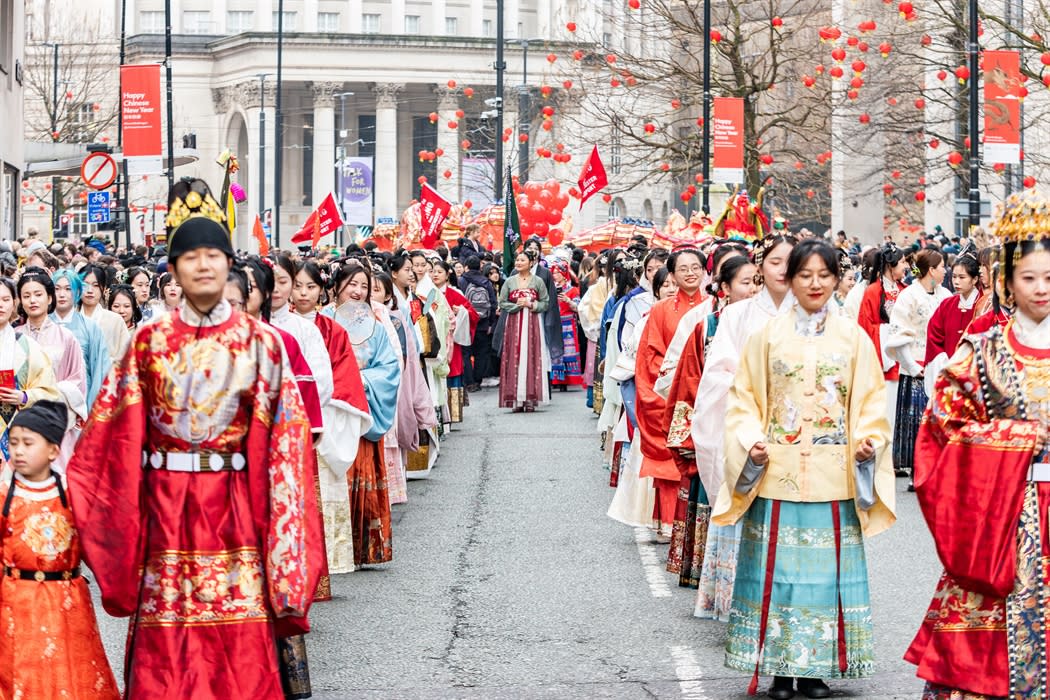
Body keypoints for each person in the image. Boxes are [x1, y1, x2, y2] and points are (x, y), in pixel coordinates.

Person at [67, 178, 323, 699]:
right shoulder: (148, 342)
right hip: (164, 508)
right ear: (174, 269)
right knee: (167, 653)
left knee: (240, 652)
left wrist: (287, 550)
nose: (203, 265)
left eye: (214, 255)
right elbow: (108, 442)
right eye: (190, 257)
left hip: (236, 510)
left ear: (230, 264)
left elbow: (287, 451)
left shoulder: (264, 345)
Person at [714, 238, 895, 700]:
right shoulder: (767, 337)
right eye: (805, 275)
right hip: (777, 470)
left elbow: (870, 401)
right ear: (789, 280)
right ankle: (777, 669)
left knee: (822, 577)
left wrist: (867, 442)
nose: (815, 284)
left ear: (837, 279)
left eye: (824, 275)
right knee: (777, 574)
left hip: (834, 476)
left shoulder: (853, 338)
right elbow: (744, 399)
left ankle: (815, 670)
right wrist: (751, 442)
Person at [905, 193, 1050, 699]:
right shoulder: (979, 354)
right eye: (1029, 277)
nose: (1040, 289)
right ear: (1007, 280)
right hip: (1001, 522)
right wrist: (1018, 442)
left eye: (1049, 277)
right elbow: (939, 437)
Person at [691, 234, 797, 621]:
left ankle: (792, 601)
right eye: (774, 262)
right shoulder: (737, 316)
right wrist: (759, 383)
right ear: (760, 268)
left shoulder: (814, 315)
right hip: (750, 425)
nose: (783, 270)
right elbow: (717, 375)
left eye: (790, 261)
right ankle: (744, 600)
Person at [0, 400, 121, 700]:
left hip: (68, 603)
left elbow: (102, 546)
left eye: (29, 443)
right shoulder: (3, 495)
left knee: (72, 674)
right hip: (16, 602)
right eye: (14, 443)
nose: (19, 451)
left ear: (54, 450)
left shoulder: (74, 493)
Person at [662, 252, 756, 588]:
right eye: (745, 283)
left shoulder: (768, 323)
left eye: (755, 282)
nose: (752, 290)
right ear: (725, 287)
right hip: (716, 420)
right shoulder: (708, 325)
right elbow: (689, 379)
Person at [290, 257, 373, 574]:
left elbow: (343, 377)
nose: (302, 293)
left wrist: (320, 410)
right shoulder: (277, 327)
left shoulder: (332, 331)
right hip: (291, 416)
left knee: (325, 488)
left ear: (322, 289)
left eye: (310, 286)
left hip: (325, 417)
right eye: (296, 285)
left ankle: (332, 558)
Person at [325, 261, 400, 566]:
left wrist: (359, 381)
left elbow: (390, 369)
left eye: (364, 286)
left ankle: (359, 547)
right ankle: (331, 547)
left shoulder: (377, 327)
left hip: (363, 407)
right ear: (336, 287)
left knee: (361, 473)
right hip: (331, 408)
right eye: (351, 284)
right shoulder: (322, 322)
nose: (357, 291)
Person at [635, 247, 708, 537]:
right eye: (683, 269)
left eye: (696, 267)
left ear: (704, 271)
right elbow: (652, 356)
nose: (690, 273)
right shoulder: (660, 311)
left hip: (707, 393)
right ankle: (669, 523)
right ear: (673, 274)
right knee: (671, 462)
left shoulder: (715, 307)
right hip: (673, 395)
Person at [885, 249, 950, 488]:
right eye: (942, 266)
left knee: (938, 420)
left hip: (940, 366)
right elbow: (898, 334)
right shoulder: (909, 296)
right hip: (916, 368)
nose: (945, 270)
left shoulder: (945, 295)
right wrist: (912, 366)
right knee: (917, 423)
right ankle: (917, 471)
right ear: (931, 270)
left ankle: (938, 469)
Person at [16, 268, 87, 467]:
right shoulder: (14, 336)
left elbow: (76, 385)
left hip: (54, 422)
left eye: (38, 295)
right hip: (18, 421)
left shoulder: (66, 338)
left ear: (49, 298)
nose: (32, 301)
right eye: (26, 296)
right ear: (20, 301)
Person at [0, 277, 61, 468]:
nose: (0, 305)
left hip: (20, 435)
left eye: (5, 299)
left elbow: (50, 392)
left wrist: (25, 396)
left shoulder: (28, 347)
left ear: (14, 303)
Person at [923, 252, 982, 398]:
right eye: (954, 276)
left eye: (962, 277)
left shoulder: (983, 306)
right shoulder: (947, 304)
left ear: (974, 279)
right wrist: (943, 362)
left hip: (974, 374)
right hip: (946, 368)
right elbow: (933, 333)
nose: (956, 281)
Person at [497, 250, 550, 412]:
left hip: (533, 323)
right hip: (513, 323)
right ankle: (515, 399)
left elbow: (545, 302)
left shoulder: (538, 281)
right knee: (514, 355)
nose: (518, 262)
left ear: (531, 263)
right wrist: (517, 306)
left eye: (522, 260)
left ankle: (530, 398)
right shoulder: (510, 281)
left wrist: (532, 305)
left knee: (531, 355)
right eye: (517, 260)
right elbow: (502, 301)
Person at [51, 269, 111, 410]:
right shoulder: (43, 325)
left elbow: (99, 371)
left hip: (82, 402)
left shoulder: (90, 327)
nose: (62, 294)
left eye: (68, 289)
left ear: (77, 292)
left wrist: (91, 409)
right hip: (48, 404)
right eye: (57, 289)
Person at [432, 260, 478, 423]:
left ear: (447, 275)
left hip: (451, 342)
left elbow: (473, 314)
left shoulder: (454, 293)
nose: (435, 274)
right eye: (433, 271)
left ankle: (453, 414)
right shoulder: (426, 293)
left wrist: (462, 312)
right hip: (433, 340)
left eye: (439, 271)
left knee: (452, 372)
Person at [458, 256, 497, 391]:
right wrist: (491, 323)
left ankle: (469, 382)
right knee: (482, 353)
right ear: (480, 267)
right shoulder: (486, 282)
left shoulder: (462, 281)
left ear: (466, 266)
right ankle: (478, 379)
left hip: (466, 321)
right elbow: (492, 303)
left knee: (466, 352)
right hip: (483, 322)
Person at [78, 263, 130, 362]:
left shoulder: (115, 320)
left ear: (104, 288)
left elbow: (126, 356)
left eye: (96, 285)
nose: (90, 290)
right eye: (85, 285)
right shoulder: (70, 318)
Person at [550, 261, 584, 390]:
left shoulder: (573, 290)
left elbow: (578, 307)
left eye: (557, 273)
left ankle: (568, 378)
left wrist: (568, 301)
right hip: (555, 322)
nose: (555, 275)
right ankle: (557, 379)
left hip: (568, 322)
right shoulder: (552, 289)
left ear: (564, 274)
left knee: (568, 351)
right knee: (555, 350)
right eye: (554, 273)